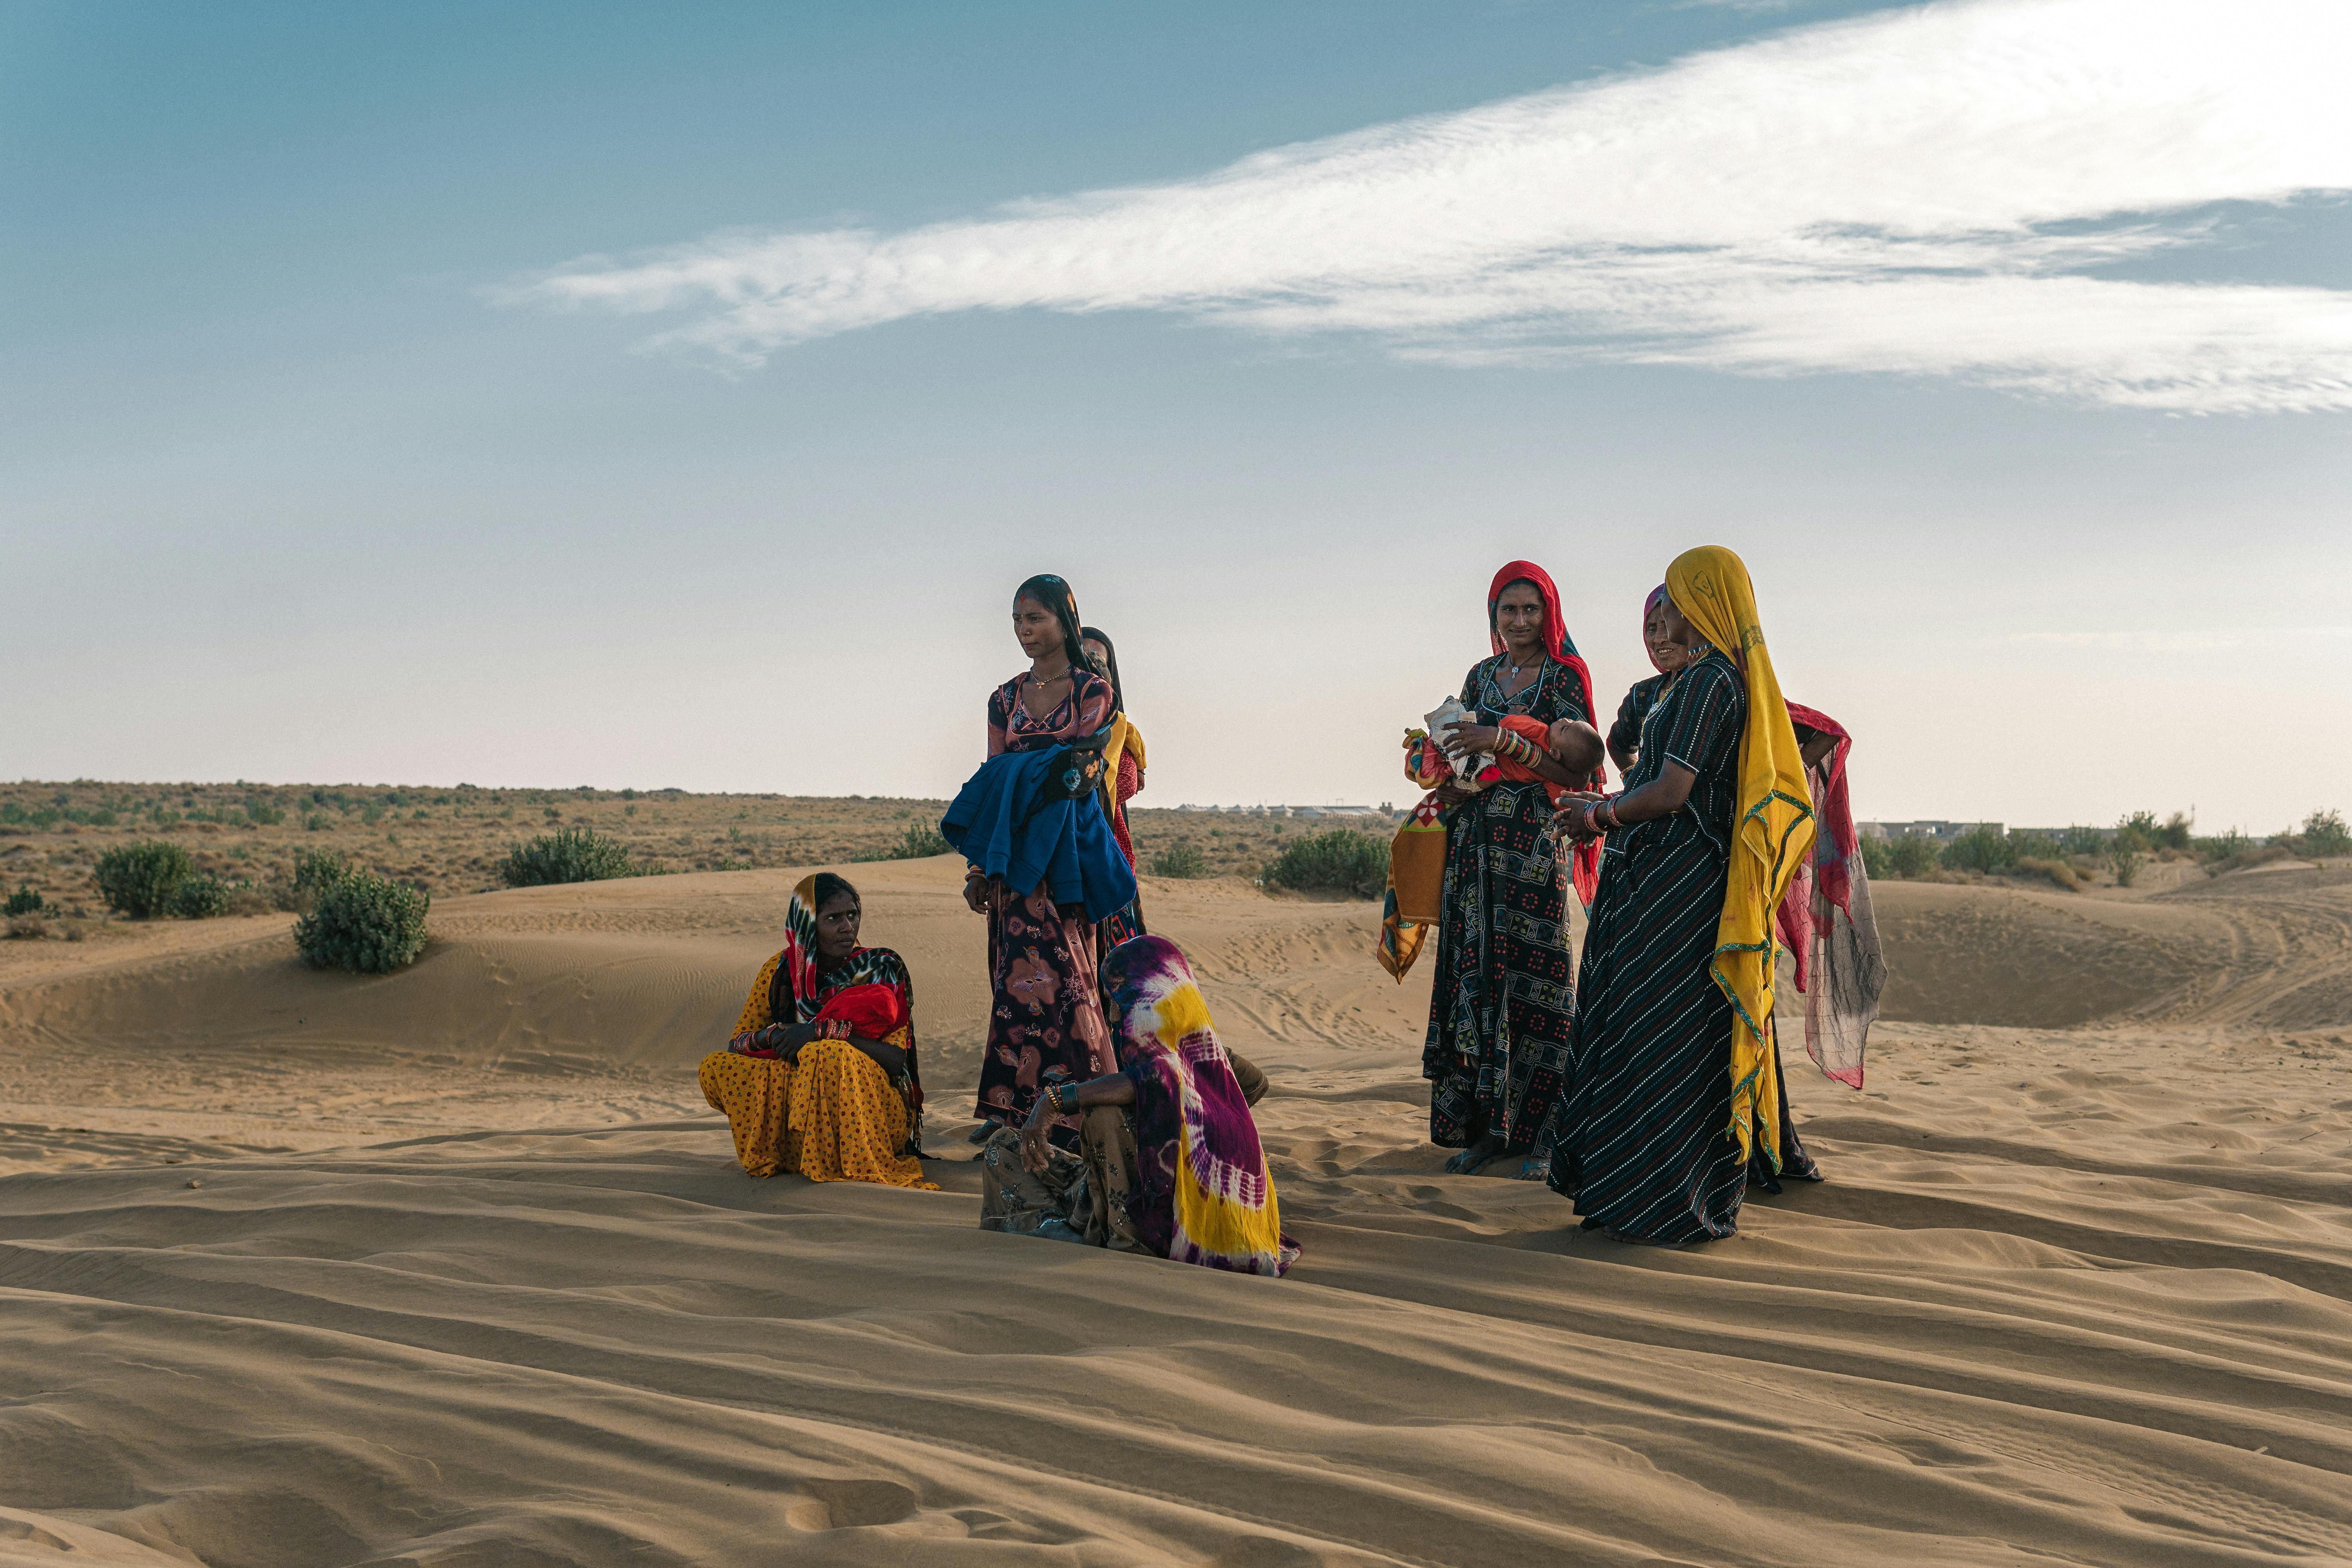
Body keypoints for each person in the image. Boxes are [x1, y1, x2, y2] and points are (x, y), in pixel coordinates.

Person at [1551, 547, 1815, 1244]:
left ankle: (1669, 1203)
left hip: (1679, 887)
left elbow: (1672, 792)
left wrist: (1598, 816)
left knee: (1666, 1037)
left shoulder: (1709, 684)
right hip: (1656, 880)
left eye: (1673, 596)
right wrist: (1603, 804)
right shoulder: (1696, 683)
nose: (1662, 613)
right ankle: (1630, 1194)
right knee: (1646, 1034)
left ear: (1702, 599)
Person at [1419, 562, 1606, 1178]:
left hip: (1532, 843)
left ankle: (1548, 1134)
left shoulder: (1563, 678)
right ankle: (1489, 1131)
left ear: (1548, 614)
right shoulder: (1479, 676)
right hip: (1474, 846)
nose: (1520, 621)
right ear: (1494, 615)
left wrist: (1505, 743)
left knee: (1540, 983)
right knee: (1481, 979)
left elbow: (1577, 774)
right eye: (1508, 610)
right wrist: (1443, 763)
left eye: (1531, 610)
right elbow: (1463, 751)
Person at [978, 935, 1297, 1276]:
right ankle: (1065, 1229)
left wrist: (1053, 1101)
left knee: (1105, 1116)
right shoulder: (1210, 1064)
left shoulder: (1179, 1067)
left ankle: (1117, 1240)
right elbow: (1253, 1084)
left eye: (1121, 998)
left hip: (1163, 1224)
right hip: (1146, 1194)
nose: (1114, 1014)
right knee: (1004, 1147)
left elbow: (1155, 1076)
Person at [958, 574, 1125, 1143]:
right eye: (1016, 621)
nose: (1025, 631)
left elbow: (1079, 776)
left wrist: (1023, 773)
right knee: (1014, 990)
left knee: (1072, 984)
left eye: (1035, 619)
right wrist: (978, 868)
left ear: (1066, 621)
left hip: (1063, 862)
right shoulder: (1003, 699)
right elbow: (990, 789)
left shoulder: (1091, 693)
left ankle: (1083, 1113)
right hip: (1009, 867)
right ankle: (1014, 1113)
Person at [697, 873, 937, 1190]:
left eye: (853, 915)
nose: (847, 927)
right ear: (808, 924)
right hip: (797, 1113)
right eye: (833, 918)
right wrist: (776, 1037)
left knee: (826, 1054)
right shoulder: (778, 972)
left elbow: (895, 1060)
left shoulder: (880, 968)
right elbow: (737, 1045)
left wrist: (820, 1032)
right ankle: (788, 1151)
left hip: (872, 1112)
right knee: (716, 1066)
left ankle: (850, 1163)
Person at [1082, 624, 1148, 948]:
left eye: (1098, 656)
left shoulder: (1120, 728)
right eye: (1082, 654)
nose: (1090, 662)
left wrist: (1077, 784)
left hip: (1108, 848)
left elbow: (1128, 782)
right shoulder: (1045, 721)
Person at [1604, 585, 1685, 776]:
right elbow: (1617, 743)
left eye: (1667, 625)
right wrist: (1633, 778)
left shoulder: (1712, 684)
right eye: (1652, 628)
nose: (1659, 639)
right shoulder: (1643, 694)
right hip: (1650, 804)